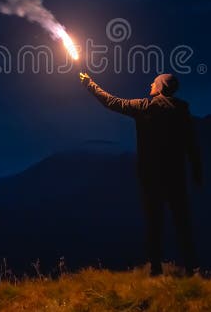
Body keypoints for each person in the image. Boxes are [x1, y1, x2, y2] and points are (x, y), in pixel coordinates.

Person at [79, 72, 202, 276]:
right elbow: (192, 146)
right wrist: (197, 173)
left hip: (151, 178)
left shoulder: (145, 107)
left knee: (154, 224)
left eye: (154, 82)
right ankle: (191, 269)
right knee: (182, 224)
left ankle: (155, 269)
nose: (150, 84)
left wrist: (89, 84)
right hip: (177, 178)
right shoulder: (183, 111)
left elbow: (111, 102)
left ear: (161, 86)